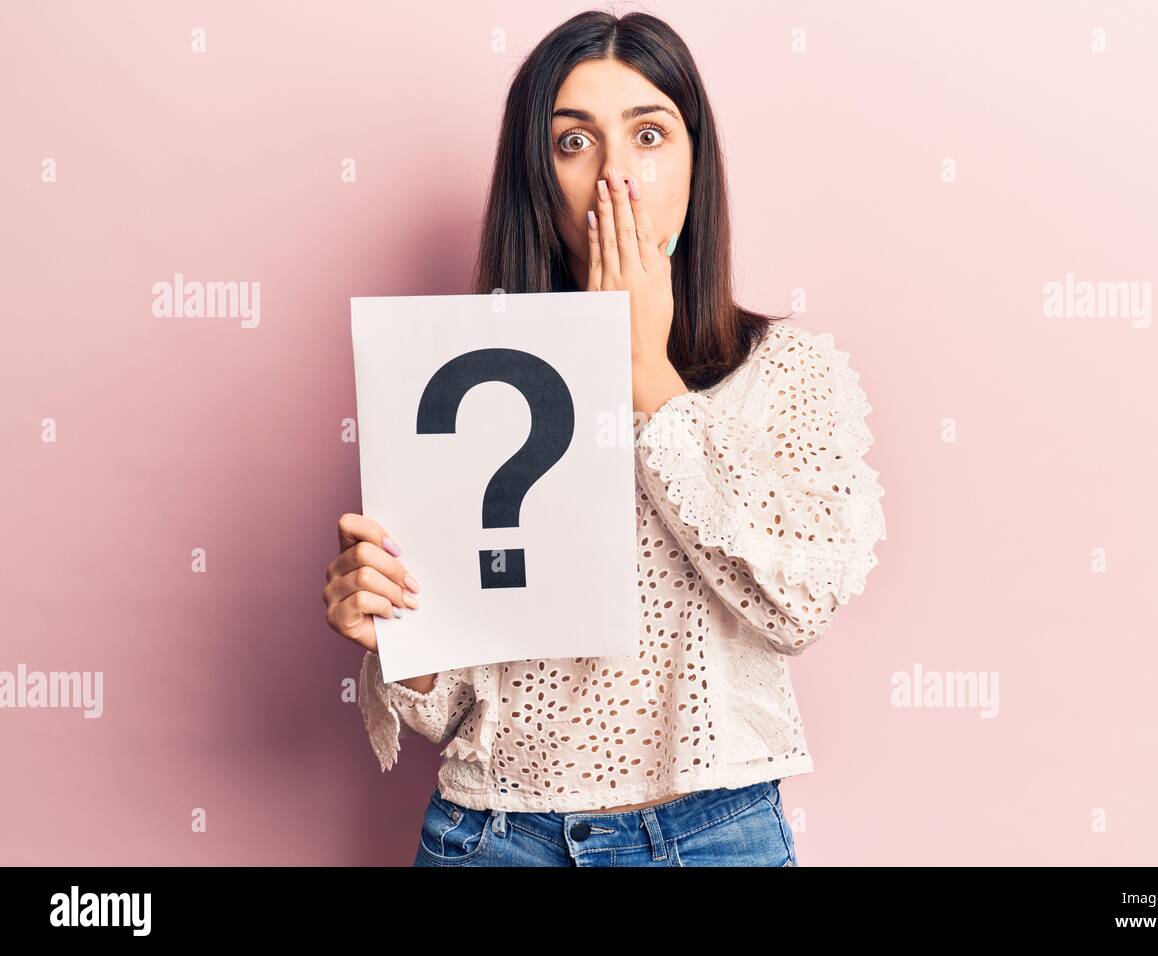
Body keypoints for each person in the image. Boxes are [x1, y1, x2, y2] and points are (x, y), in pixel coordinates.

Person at [322, 9, 887, 867]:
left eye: (650, 134)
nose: (616, 177)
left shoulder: (788, 372)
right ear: (537, 179)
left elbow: (796, 605)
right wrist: (394, 629)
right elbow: (454, 705)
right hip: (497, 837)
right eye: (573, 143)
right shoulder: (474, 378)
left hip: (712, 836)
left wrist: (647, 374)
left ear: (697, 165)